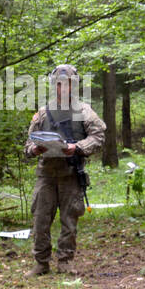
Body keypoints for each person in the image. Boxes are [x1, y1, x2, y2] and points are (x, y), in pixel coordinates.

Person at [24, 64, 107, 275]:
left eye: (67, 84)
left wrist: (77, 147)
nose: (63, 88)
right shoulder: (43, 113)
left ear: (74, 86)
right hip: (47, 174)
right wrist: (35, 149)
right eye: (59, 84)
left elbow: (98, 136)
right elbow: (27, 145)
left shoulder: (84, 111)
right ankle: (41, 263)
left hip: (70, 174)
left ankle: (65, 261)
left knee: (69, 221)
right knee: (41, 219)